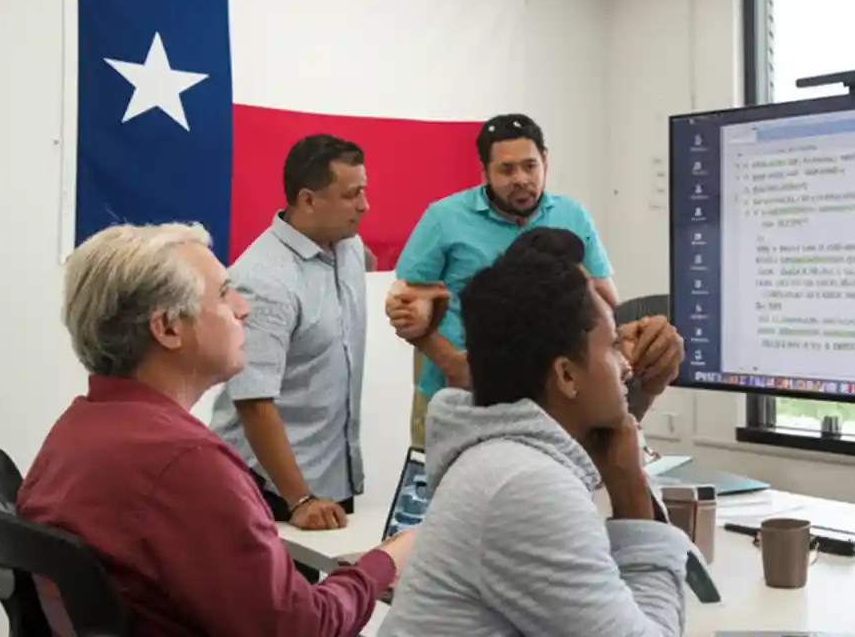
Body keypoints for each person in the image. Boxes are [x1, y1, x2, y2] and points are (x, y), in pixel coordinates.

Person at [17, 223, 412, 636]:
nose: (243, 309)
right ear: (168, 328)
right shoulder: (187, 464)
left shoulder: (75, 431)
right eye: (224, 294)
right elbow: (302, 629)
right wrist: (385, 561)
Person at [380, 249, 690, 636]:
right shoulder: (526, 485)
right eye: (612, 346)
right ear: (567, 376)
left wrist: (631, 410)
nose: (625, 365)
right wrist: (629, 486)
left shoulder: (504, 456)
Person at [389, 114, 675, 445]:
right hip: (458, 395)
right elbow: (407, 303)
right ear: (484, 172)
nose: (521, 179)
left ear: (545, 162)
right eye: (507, 170)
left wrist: (622, 346)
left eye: (530, 166)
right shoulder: (444, 218)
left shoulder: (572, 215)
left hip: (548, 402)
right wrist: (452, 363)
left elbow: (604, 298)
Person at [209, 134, 369, 533]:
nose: (364, 205)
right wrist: (300, 499)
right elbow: (253, 401)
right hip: (268, 488)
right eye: (351, 195)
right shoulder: (263, 281)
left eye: (363, 190)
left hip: (331, 476)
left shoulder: (347, 247)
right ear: (308, 200)